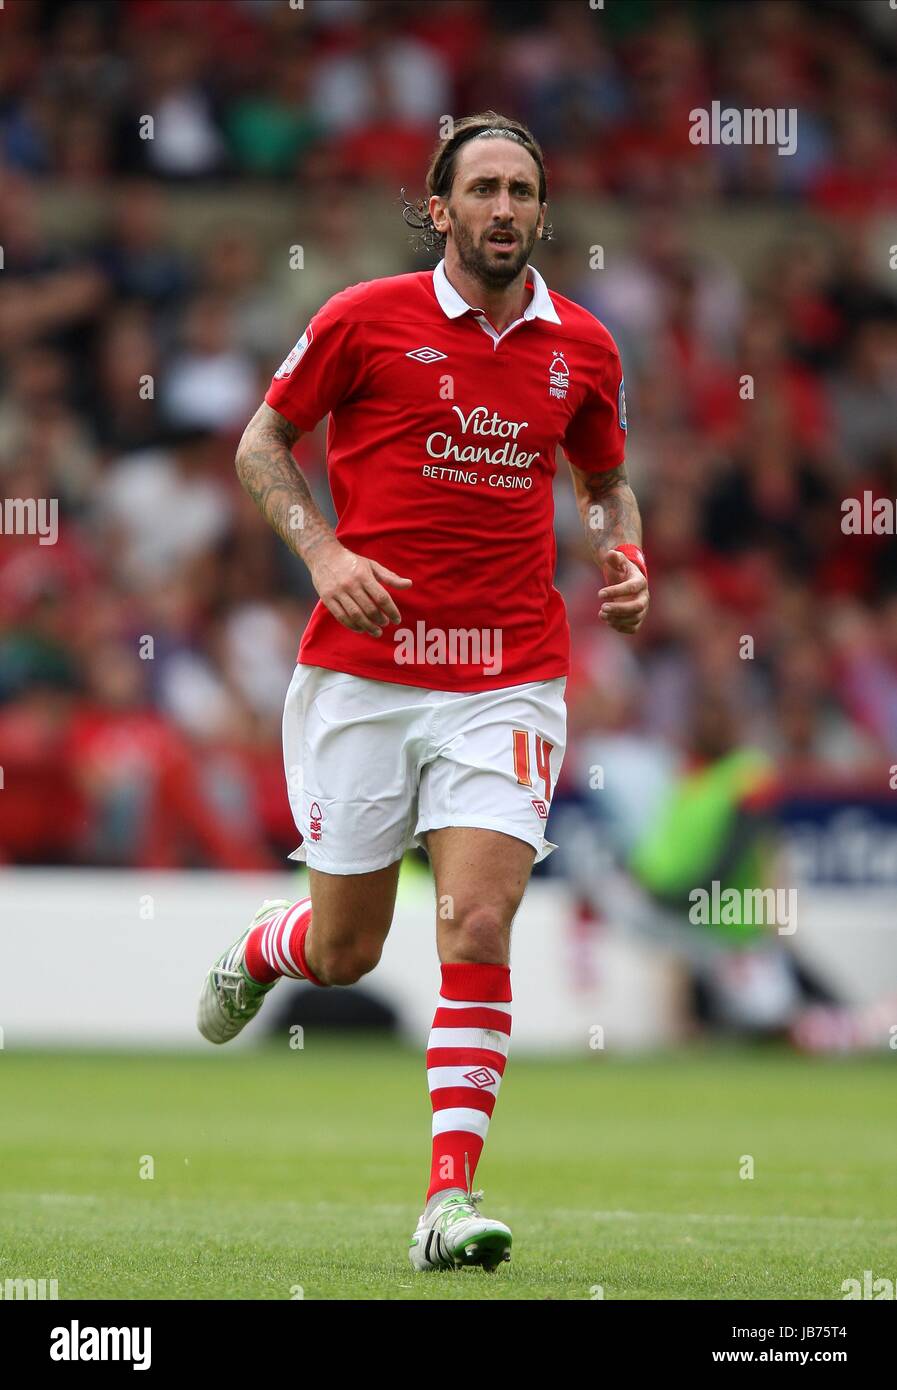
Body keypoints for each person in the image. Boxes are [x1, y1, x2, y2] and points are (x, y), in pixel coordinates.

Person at [196, 111, 649, 1272]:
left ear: (545, 211)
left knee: (478, 919)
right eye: (484, 189)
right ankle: (267, 945)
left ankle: (448, 1200)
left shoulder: (582, 347)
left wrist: (623, 552)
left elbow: (605, 480)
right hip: (366, 675)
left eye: (524, 190)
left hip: (507, 673)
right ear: (439, 208)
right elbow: (261, 445)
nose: (506, 209)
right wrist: (325, 555)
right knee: (348, 948)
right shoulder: (363, 318)